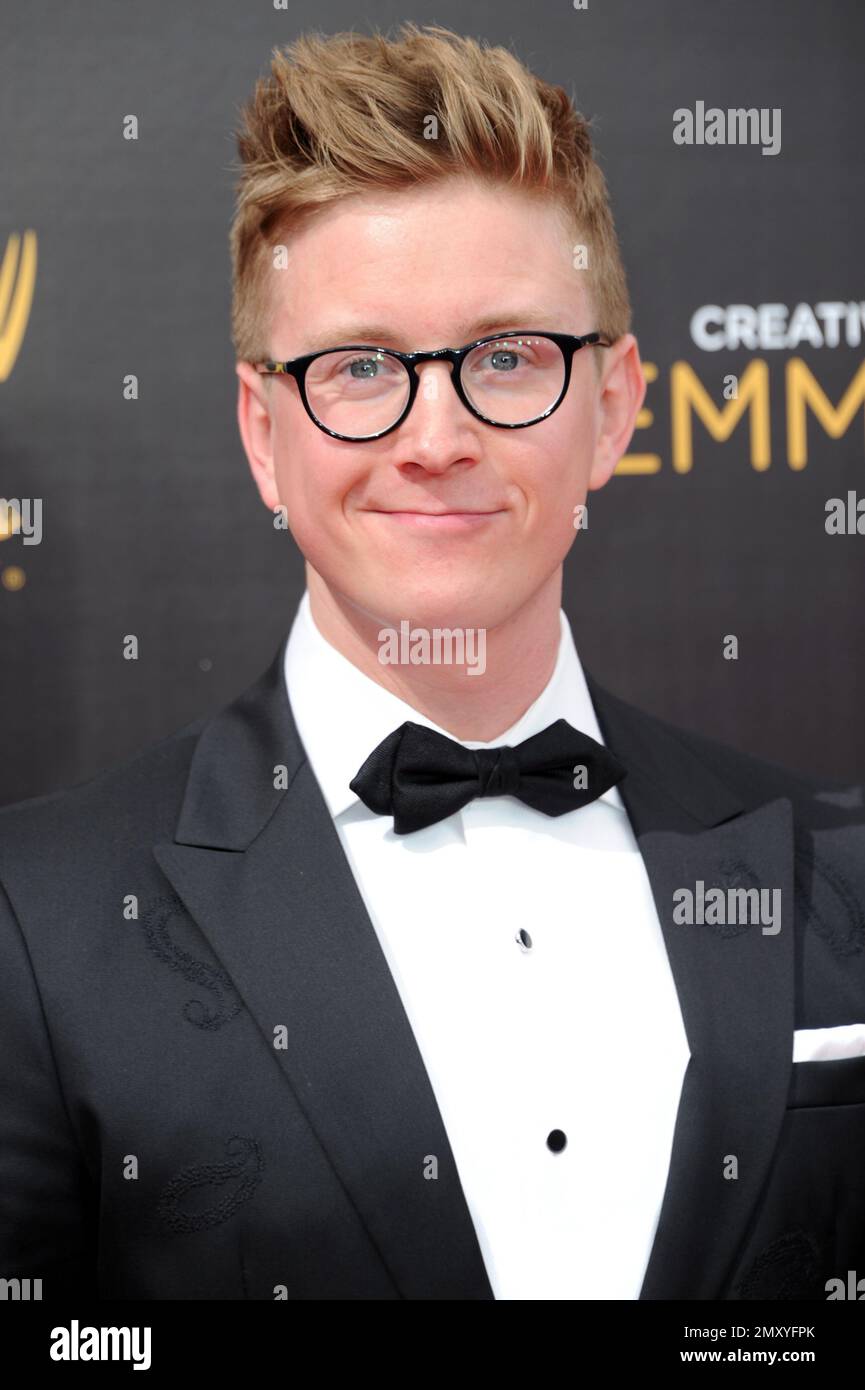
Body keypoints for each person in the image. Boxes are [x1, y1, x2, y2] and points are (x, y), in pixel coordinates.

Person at [1, 23, 864, 1303]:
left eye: (507, 356)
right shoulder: (38, 921)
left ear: (615, 406)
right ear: (262, 429)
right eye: (360, 368)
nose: (436, 435)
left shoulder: (830, 867)